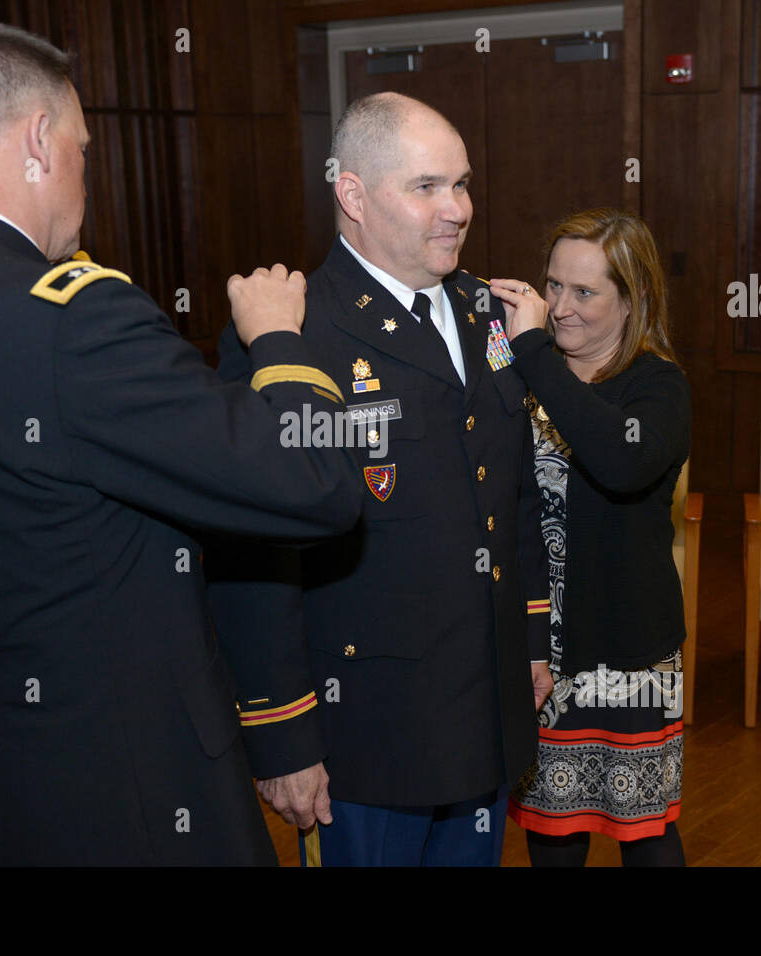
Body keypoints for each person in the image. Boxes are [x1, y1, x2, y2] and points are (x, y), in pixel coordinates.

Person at [0, 21, 364, 865]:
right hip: (133, 791)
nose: (83, 174)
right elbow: (314, 482)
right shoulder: (72, 318)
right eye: (81, 146)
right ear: (37, 139)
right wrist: (279, 345)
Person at [209, 92, 548, 866]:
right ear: (353, 195)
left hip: (485, 710)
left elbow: (513, 487)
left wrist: (530, 636)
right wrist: (281, 728)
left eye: (461, 184)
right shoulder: (292, 332)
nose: (457, 208)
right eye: (426, 186)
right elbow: (251, 550)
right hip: (364, 735)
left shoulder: (480, 310)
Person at [491, 208, 690, 866]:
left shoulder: (658, 386)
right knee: (551, 834)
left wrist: (533, 354)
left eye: (584, 292)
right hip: (537, 650)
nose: (559, 307)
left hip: (627, 652)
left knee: (647, 837)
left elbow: (620, 459)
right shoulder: (525, 371)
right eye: (552, 286)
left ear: (632, 301)